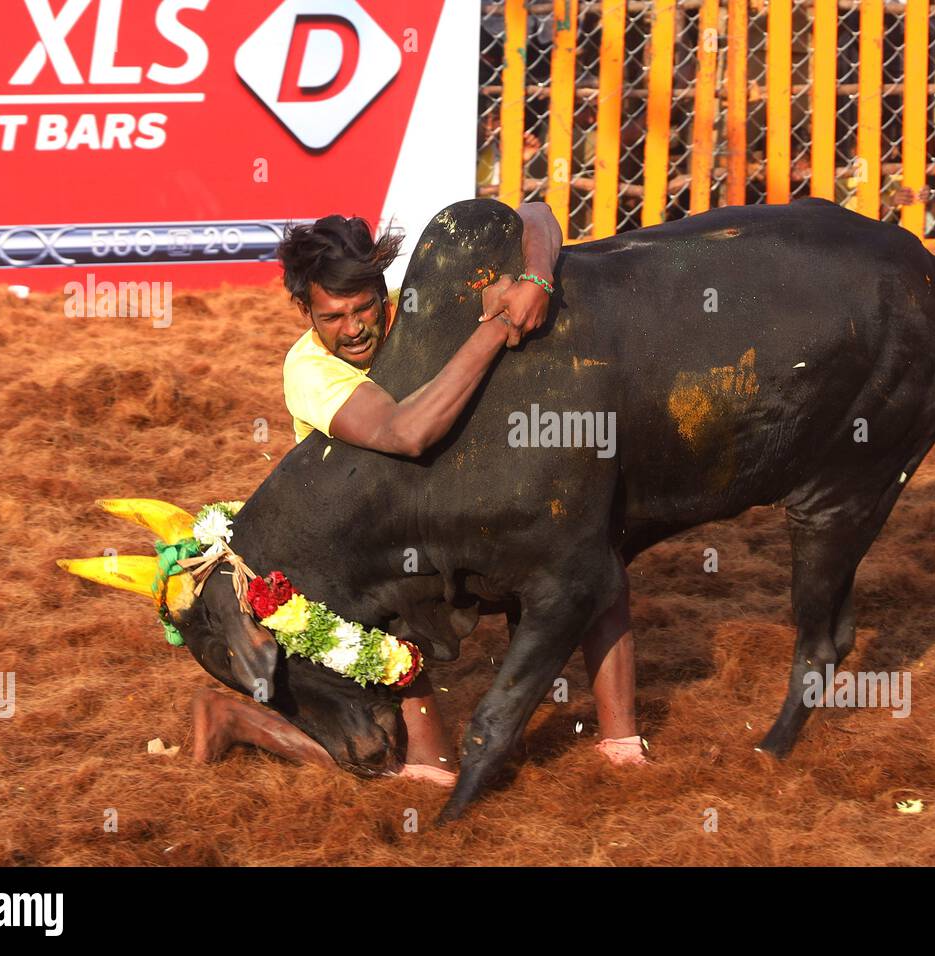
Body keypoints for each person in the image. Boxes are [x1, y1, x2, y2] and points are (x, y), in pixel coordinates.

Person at [193, 204, 644, 783]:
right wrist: (497, 325)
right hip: (377, 550)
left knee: (582, 549)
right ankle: (239, 719)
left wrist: (534, 277)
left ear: (385, 292)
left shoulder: (414, 306)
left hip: (466, 497)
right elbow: (407, 433)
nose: (354, 329)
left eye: (364, 309)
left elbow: (535, 213)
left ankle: (623, 744)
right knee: (426, 773)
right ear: (304, 312)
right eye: (333, 317)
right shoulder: (307, 370)